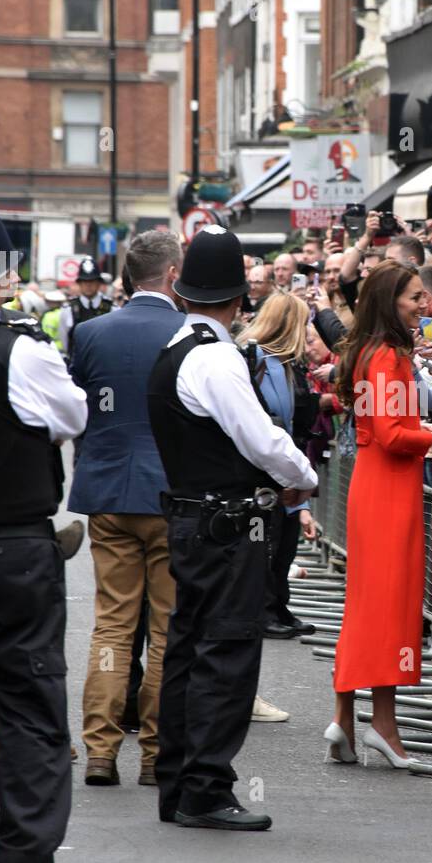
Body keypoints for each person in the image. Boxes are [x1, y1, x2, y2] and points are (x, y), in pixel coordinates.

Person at [147, 228, 317, 830]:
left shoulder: (175, 346)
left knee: (191, 649)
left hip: (195, 517)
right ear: (239, 297)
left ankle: (178, 781)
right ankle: (205, 789)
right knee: (226, 652)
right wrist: (305, 475)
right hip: (225, 522)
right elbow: (260, 438)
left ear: (181, 285)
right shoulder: (216, 356)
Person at [0, 202, 87, 863]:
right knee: (29, 712)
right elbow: (71, 418)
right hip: (8, 546)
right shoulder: (20, 351)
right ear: (0, 273)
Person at [327, 263, 432, 766]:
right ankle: (377, 722)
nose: (424, 305)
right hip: (386, 488)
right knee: (386, 608)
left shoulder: (373, 352)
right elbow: (391, 434)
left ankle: (350, 718)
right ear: (390, 300)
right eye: (414, 297)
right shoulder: (386, 356)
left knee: (375, 606)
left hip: (381, 486)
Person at [69, 231, 186, 788]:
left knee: (113, 626)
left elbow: (80, 408)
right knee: (165, 628)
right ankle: (155, 754)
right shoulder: (188, 333)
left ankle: (100, 749)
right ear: (171, 275)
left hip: (111, 492)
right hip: (169, 494)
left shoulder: (90, 332)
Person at [237, 292, 320, 648]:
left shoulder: (287, 364)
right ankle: (263, 610)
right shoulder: (254, 359)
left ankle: (278, 606)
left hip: (283, 464)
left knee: (285, 543)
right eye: (301, 323)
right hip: (262, 469)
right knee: (266, 544)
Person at [58, 256, 112, 356]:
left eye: (92, 281)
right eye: (84, 281)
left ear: (99, 283)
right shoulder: (68, 309)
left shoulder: (112, 308)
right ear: (79, 283)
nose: (88, 285)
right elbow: (65, 342)